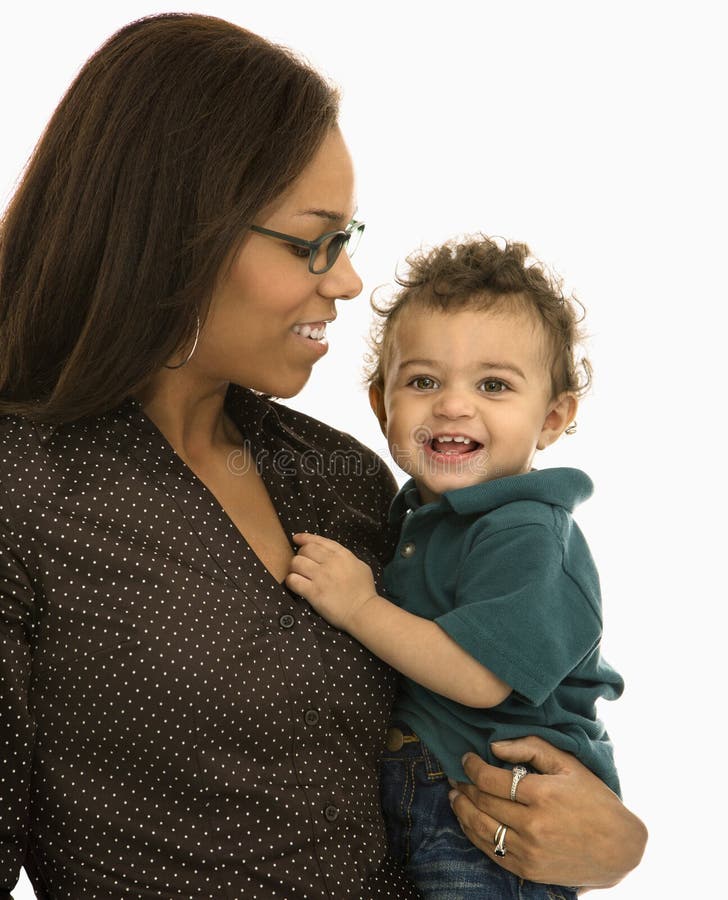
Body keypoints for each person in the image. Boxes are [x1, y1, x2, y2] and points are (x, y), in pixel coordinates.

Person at [0, 12, 646, 900]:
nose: (346, 280)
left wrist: (606, 843)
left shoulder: (338, 477)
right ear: (179, 238)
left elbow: (469, 714)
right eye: (314, 241)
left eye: (349, 240)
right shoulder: (23, 487)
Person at [286, 235, 631, 898]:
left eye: (494, 385)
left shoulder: (527, 529)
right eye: (423, 381)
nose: (452, 404)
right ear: (382, 405)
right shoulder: (419, 516)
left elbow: (478, 679)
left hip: (488, 813)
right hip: (428, 797)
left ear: (553, 418)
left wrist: (359, 607)